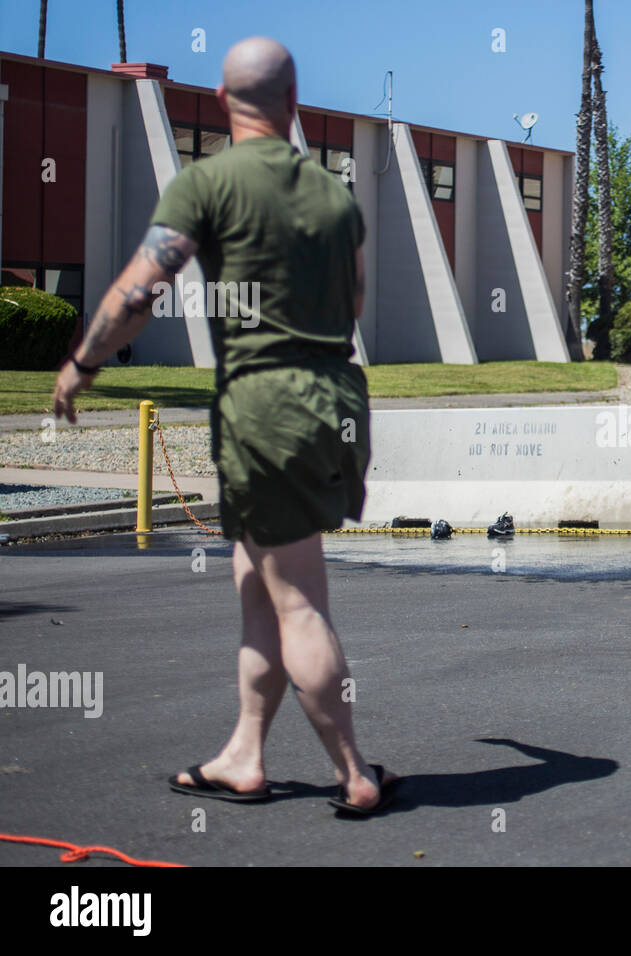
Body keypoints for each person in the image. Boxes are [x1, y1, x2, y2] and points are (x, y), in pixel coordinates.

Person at [51, 37, 398, 815]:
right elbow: (354, 307)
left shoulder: (207, 182)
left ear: (219, 102)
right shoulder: (337, 197)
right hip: (336, 399)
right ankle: (245, 753)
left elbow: (141, 292)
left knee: (298, 596)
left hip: (265, 408)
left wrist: (82, 363)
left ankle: (354, 773)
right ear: (295, 100)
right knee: (258, 585)